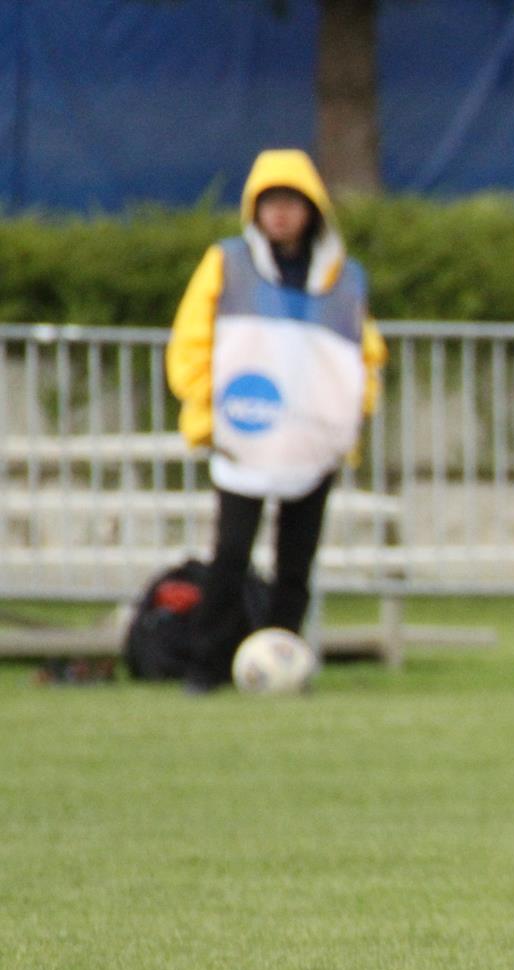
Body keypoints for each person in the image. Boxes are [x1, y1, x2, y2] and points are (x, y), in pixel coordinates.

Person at [165, 148, 386, 692]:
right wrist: (209, 411)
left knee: (296, 565)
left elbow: (364, 353)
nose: (282, 214)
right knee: (231, 556)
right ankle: (206, 666)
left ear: (313, 210)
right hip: (246, 433)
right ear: (255, 210)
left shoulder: (343, 276)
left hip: (311, 442)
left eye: (293, 203)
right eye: (271, 204)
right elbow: (191, 341)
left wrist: (349, 417)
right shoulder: (226, 262)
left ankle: (284, 657)